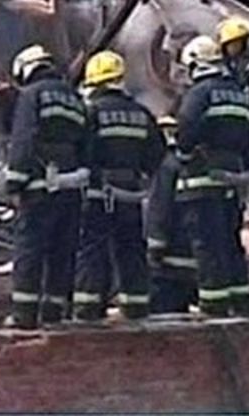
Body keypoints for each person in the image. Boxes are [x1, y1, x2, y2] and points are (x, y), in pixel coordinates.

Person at [73, 50, 164, 322]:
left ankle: (89, 307)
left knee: (93, 249)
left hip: (99, 192)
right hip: (131, 193)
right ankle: (136, 306)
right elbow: (156, 154)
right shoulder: (141, 113)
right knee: (132, 248)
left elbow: (81, 150)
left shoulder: (91, 112)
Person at [4, 45, 90, 329]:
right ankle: (55, 312)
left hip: (40, 187)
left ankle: (24, 314)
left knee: (30, 249)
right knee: (62, 250)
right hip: (72, 186)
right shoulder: (75, 98)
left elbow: (24, 138)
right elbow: (86, 143)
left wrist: (15, 181)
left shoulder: (32, 94)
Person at [176, 32, 249, 317]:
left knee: (207, 244)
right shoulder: (237, 92)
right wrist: (243, 169)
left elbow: (186, 129)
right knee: (231, 242)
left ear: (196, 63)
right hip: (233, 180)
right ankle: (242, 300)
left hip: (203, 179)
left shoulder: (199, 93)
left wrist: (183, 155)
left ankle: (214, 304)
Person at [145, 115, 198, 314]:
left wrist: (155, 246)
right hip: (198, 260)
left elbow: (160, 206)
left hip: (170, 266)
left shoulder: (166, 166)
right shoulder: (200, 162)